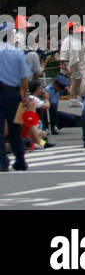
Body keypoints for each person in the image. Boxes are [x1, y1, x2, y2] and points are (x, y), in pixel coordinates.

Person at [0, 23, 30, 170]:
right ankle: (20, 160)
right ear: (10, 36)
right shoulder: (17, 53)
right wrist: (25, 95)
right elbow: (24, 77)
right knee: (15, 129)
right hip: (13, 93)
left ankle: (2, 162)